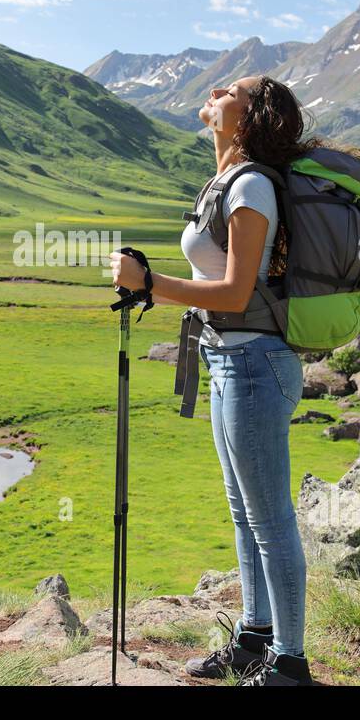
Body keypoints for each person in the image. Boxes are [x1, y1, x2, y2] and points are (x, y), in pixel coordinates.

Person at [109, 74, 324, 686]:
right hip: (230, 361)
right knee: (244, 510)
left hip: (256, 365)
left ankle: (290, 665)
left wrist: (150, 284)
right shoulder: (228, 181)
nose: (215, 90)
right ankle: (255, 640)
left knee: (270, 518)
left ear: (250, 116)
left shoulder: (252, 184)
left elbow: (234, 290)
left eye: (232, 88)